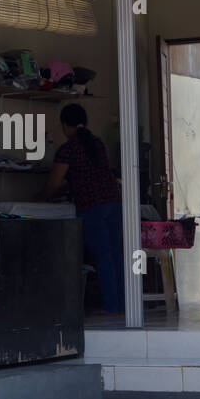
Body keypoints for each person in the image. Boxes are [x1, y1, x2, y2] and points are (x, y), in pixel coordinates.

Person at [42, 104, 124, 315]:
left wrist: (43, 195)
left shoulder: (68, 149)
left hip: (92, 206)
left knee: (103, 258)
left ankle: (112, 307)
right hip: (113, 202)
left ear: (65, 125)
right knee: (115, 255)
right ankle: (124, 305)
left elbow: (53, 185)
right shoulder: (97, 143)